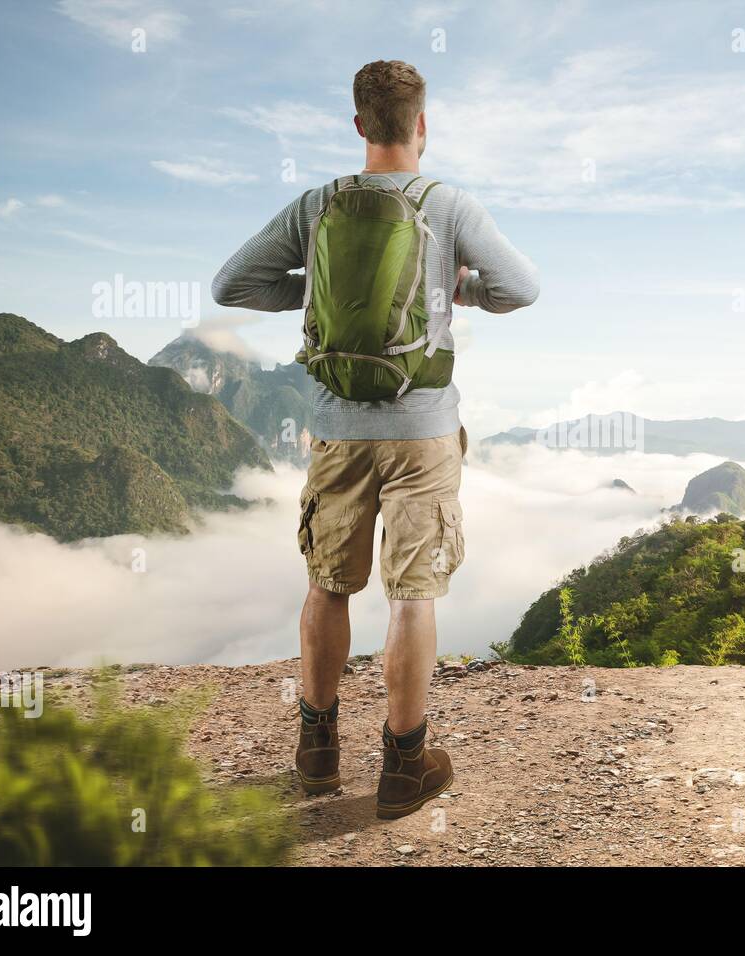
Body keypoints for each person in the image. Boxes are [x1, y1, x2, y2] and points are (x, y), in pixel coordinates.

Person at [213, 59, 539, 818]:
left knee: (328, 585)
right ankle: (403, 765)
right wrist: (455, 287)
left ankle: (317, 752)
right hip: (423, 429)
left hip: (335, 428)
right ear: (422, 125)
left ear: (358, 126)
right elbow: (520, 288)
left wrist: (317, 294)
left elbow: (233, 285)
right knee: (412, 595)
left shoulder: (318, 203)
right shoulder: (448, 202)